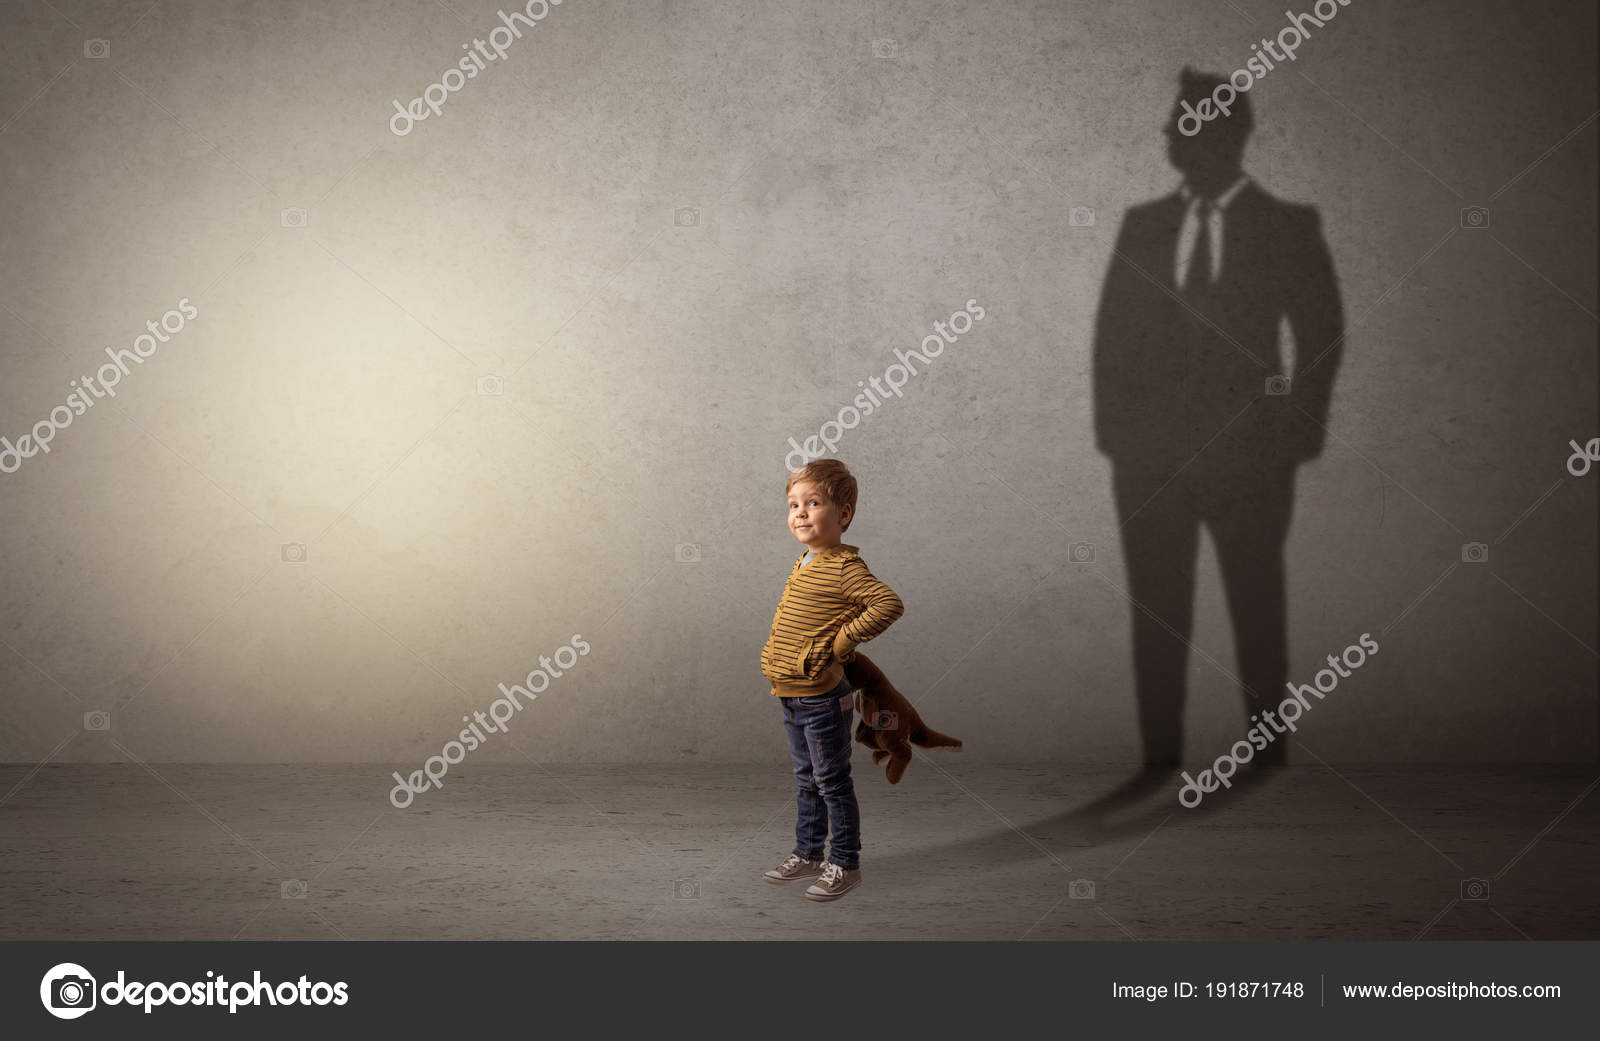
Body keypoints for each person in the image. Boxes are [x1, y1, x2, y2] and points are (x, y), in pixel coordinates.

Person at [1091, 67, 1345, 778]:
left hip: (1252, 458)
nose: (1170, 136)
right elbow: (1112, 337)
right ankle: (1159, 758)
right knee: (1157, 608)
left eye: (1185, 124)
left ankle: (1268, 751)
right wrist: (1119, 442)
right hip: (1150, 463)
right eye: (1173, 124)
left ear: (1229, 135)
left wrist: (1296, 433)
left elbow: (1321, 333)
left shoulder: (1287, 226)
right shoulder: (1143, 224)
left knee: (1256, 599)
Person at [759, 458, 904, 900]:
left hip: (821, 698)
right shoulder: (805, 560)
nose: (800, 513)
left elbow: (887, 604)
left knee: (831, 782)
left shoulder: (844, 566)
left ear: (843, 514)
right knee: (806, 779)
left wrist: (842, 643)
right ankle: (807, 853)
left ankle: (844, 863)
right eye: (793, 505)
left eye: (813, 503)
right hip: (791, 692)